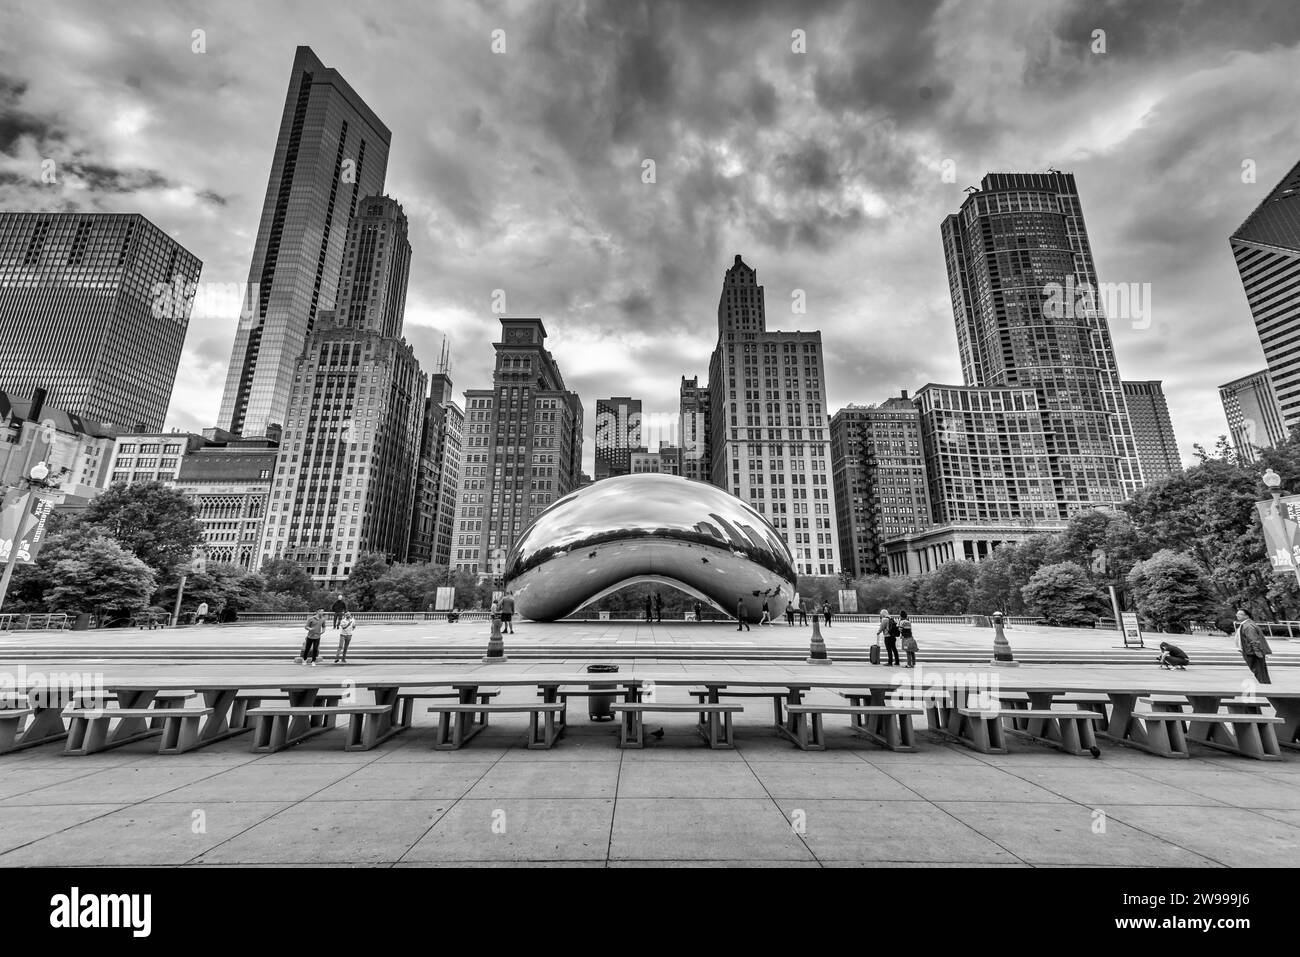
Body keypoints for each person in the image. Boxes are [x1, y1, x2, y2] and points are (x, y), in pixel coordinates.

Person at [1234, 610, 1272, 684]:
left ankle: (1267, 689)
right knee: (1259, 672)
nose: (1237, 615)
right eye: (1237, 614)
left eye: (1240, 614)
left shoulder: (1248, 626)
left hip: (1252, 653)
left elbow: (1254, 640)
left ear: (1247, 616)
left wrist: (1258, 652)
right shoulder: (1245, 624)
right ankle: (1266, 688)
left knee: (1260, 673)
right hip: (1250, 652)